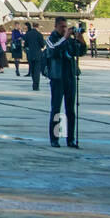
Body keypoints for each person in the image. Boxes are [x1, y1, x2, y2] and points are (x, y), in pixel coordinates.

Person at [43, 17, 84, 149]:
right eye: (61, 26)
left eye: (65, 26)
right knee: (56, 109)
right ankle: (55, 138)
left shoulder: (68, 40)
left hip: (69, 77)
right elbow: (53, 51)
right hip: (57, 77)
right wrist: (65, 38)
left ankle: (70, 139)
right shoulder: (51, 39)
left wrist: (80, 38)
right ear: (55, 27)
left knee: (70, 110)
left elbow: (80, 51)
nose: (64, 29)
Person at [24, 21, 44, 91]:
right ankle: (36, 85)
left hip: (30, 54)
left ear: (32, 26)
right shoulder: (39, 34)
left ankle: (33, 83)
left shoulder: (28, 34)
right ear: (38, 26)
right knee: (37, 71)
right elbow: (42, 45)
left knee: (32, 70)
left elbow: (25, 44)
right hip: (38, 54)